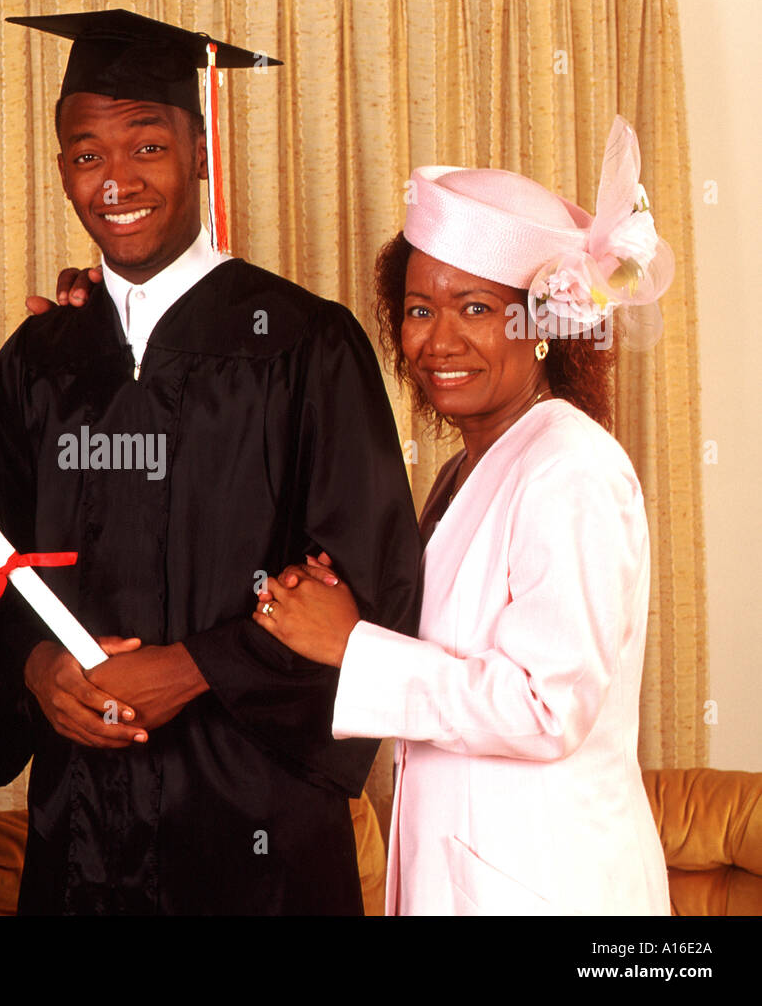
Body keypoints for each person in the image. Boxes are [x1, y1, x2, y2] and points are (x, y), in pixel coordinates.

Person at [0, 10, 422, 914]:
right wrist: (36, 674)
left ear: (200, 153)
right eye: (85, 153)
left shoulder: (304, 341)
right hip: (83, 828)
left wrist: (193, 667)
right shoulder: (39, 358)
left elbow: (369, 579)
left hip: (255, 819)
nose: (117, 180)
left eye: (147, 145)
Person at [255, 116, 673, 915]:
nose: (438, 340)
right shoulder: (465, 470)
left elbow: (546, 708)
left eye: (476, 309)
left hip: (552, 888)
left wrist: (352, 645)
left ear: (539, 324)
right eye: (419, 310)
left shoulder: (569, 467)